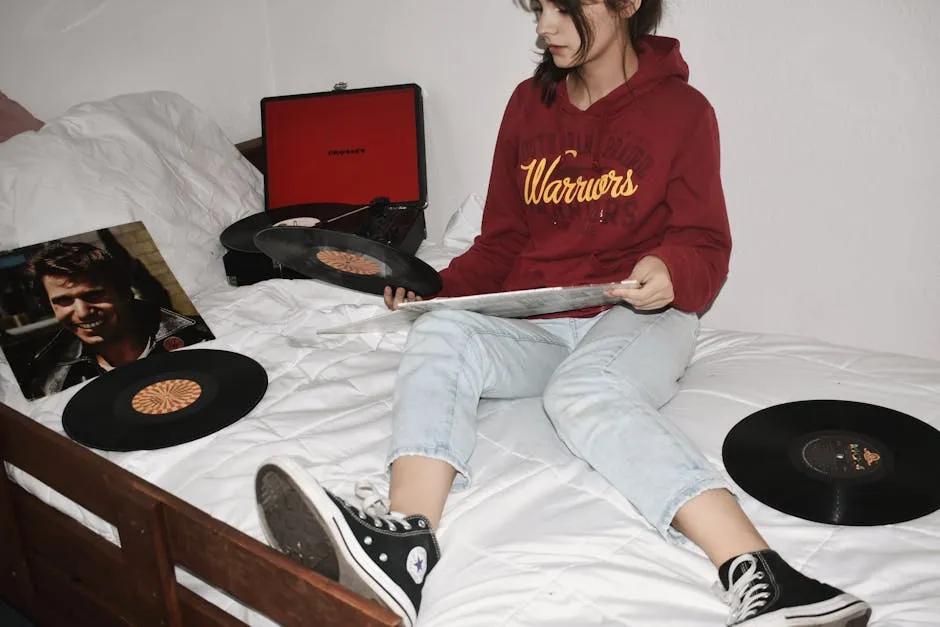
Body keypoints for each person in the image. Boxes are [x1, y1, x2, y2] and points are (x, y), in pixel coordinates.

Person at [254, 1, 873, 625]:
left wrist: (670, 271)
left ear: (628, 3)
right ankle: (404, 543)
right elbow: (499, 241)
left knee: (585, 392)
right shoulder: (529, 104)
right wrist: (434, 290)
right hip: (539, 321)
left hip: (638, 315)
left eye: (563, 7)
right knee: (440, 332)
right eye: (539, 9)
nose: (545, 26)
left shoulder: (684, 113)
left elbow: (706, 245)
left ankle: (770, 575)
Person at [25, 241, 214, 399]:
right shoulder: (48, 382)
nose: (82, 313)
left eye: (94, 295)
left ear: (124, 293)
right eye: (63, 301)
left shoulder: (201, 335)